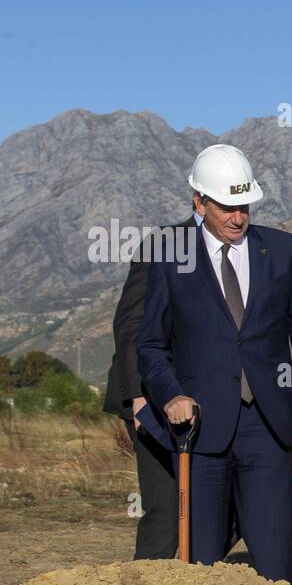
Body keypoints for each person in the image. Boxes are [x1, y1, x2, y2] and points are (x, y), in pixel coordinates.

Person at [136, 144, 292, 583]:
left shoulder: (282, 250)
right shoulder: (170, 253)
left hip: (267, 427)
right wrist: (170, 395)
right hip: (200, 429)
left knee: (275, 563)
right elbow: (150, 344)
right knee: (201, 565)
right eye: (227, 207)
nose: (238, 218)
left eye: (244, 206)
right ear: (199, 202)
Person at [103, 213, 195, 559]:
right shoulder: (165, 245)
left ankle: (197, 584)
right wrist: (140, 396)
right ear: (200, 201)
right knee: (167, 507)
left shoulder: (240, 249)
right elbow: (131, 325)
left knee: (228, 503)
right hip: (152, 399)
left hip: (204, 397)